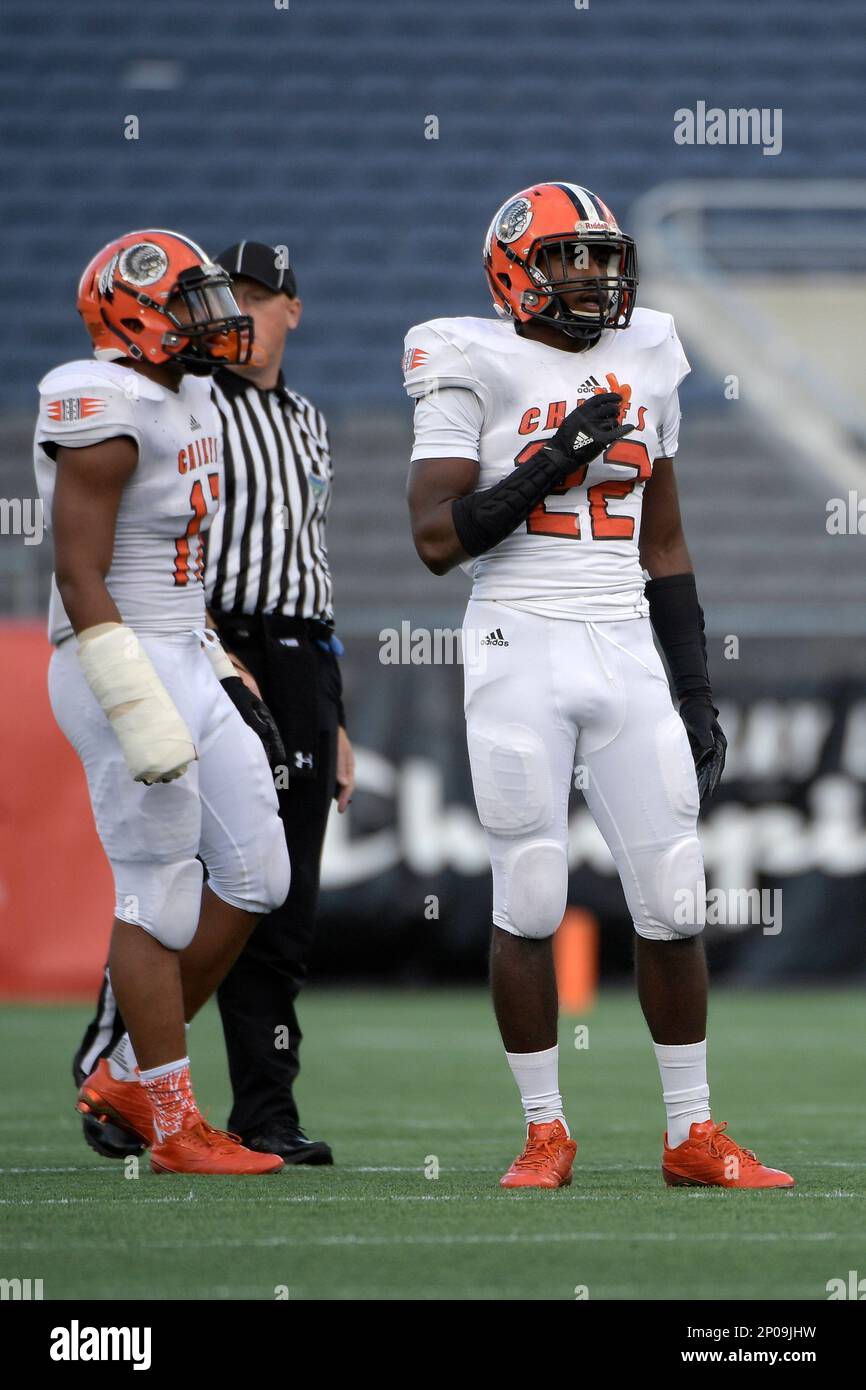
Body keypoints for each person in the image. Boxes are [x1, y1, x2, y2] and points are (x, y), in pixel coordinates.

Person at [403, 182, 793, 1191]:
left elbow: (664, 541)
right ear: (514, 270)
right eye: (564, 259)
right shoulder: (466, 358)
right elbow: (436, 538)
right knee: (530, 893)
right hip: (517, 637)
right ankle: (544, 1131)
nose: (590, 277)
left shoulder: (648, 351)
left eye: (601, 257)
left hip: (622, 641)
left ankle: (691, 1132)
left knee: (674, 895)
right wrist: (549, 462)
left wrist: (694, 690)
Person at [72, 240, 354, 1165]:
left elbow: (311, 561)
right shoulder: (187, 397)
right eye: (230, 295)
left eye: (259, 297)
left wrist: (336, 715)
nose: (240, 313)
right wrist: (217, 655)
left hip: (298, 654)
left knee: (280, 897)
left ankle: (264, 1109)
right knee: (171, 882)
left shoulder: (307, 421)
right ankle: (120, 1061)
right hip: (212, 636)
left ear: (292, 310)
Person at [38, 229, 290, 1174]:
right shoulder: (99, 399)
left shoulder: (190, 396)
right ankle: (175, 1122)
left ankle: (128, 1074)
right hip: (114, 653)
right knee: (160, 888)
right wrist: (136, 701)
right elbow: (79, 572)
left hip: (183, 645)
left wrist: (218, 663)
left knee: (259, 872)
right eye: (192, 305)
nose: (215, 321)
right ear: (134, 314)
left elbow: (181, 573)